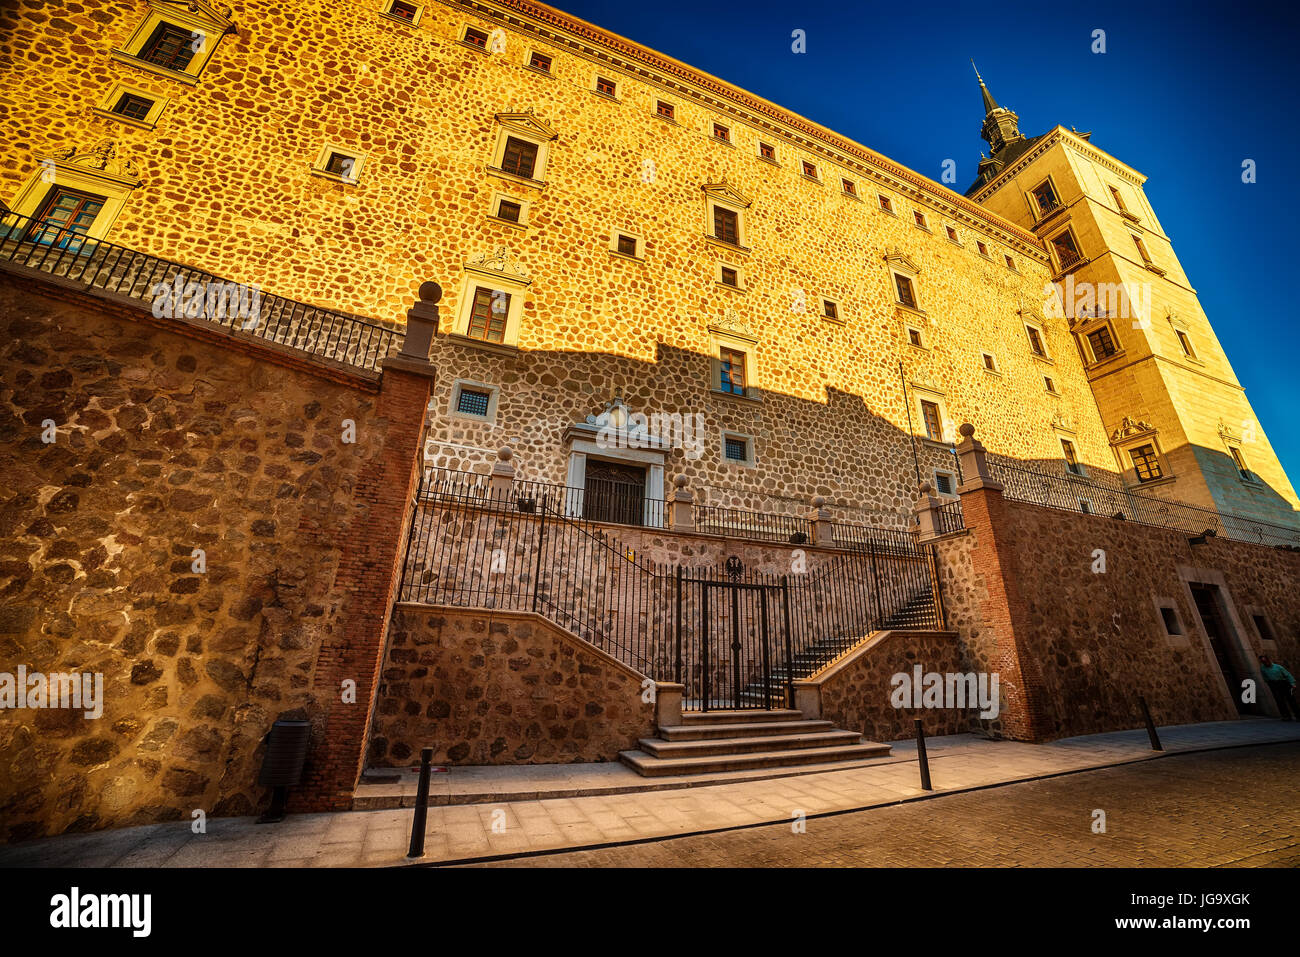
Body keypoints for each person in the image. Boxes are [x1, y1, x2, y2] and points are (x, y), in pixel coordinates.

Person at [1259, 655, 1297, 720]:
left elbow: (1287, 675)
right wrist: (1269, 683)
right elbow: (1265, 677)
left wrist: (1292, 683)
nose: (1265, 662)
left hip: (1283, 683)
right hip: (1274, 684)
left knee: (1291, 700)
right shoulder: (1263, 668)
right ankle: (1286, 716)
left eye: (1265, 661)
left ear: (1269, 660)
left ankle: (1298, 715)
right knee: (1279, 701)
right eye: (1263, 661)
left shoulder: (1278, 667)